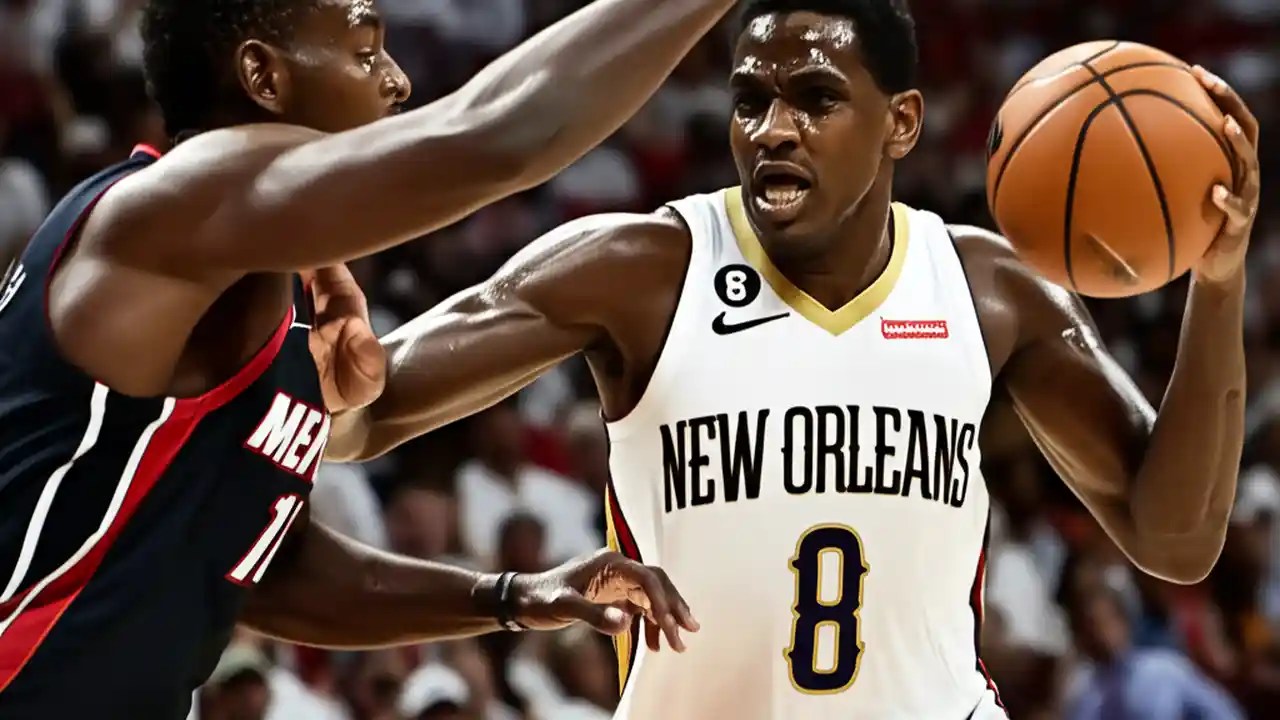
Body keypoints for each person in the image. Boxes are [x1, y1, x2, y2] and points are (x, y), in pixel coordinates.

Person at [326, 0, 1262, 717]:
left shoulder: (986, 291)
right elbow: (362, 418)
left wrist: (1217, 282)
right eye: (751, 100)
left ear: (901, 123)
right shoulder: (640, 270)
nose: (773, 128)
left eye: (816, 99)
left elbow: (1176, 539)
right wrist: (341, 382)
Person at [0, 0, 734, 714]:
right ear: (263, 76)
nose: (397, 80)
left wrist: (508, 596)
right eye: (364, 50)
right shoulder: (164, 214)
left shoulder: (274, 300)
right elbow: (497, 135)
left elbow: (263, 565)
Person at [1065, 585, 1244, 720]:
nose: (1100, 634)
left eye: (1106, 622)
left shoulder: (1163, 669)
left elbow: (1222, 712)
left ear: (1124, 622)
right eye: (1091, 626)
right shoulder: (1086, 694)